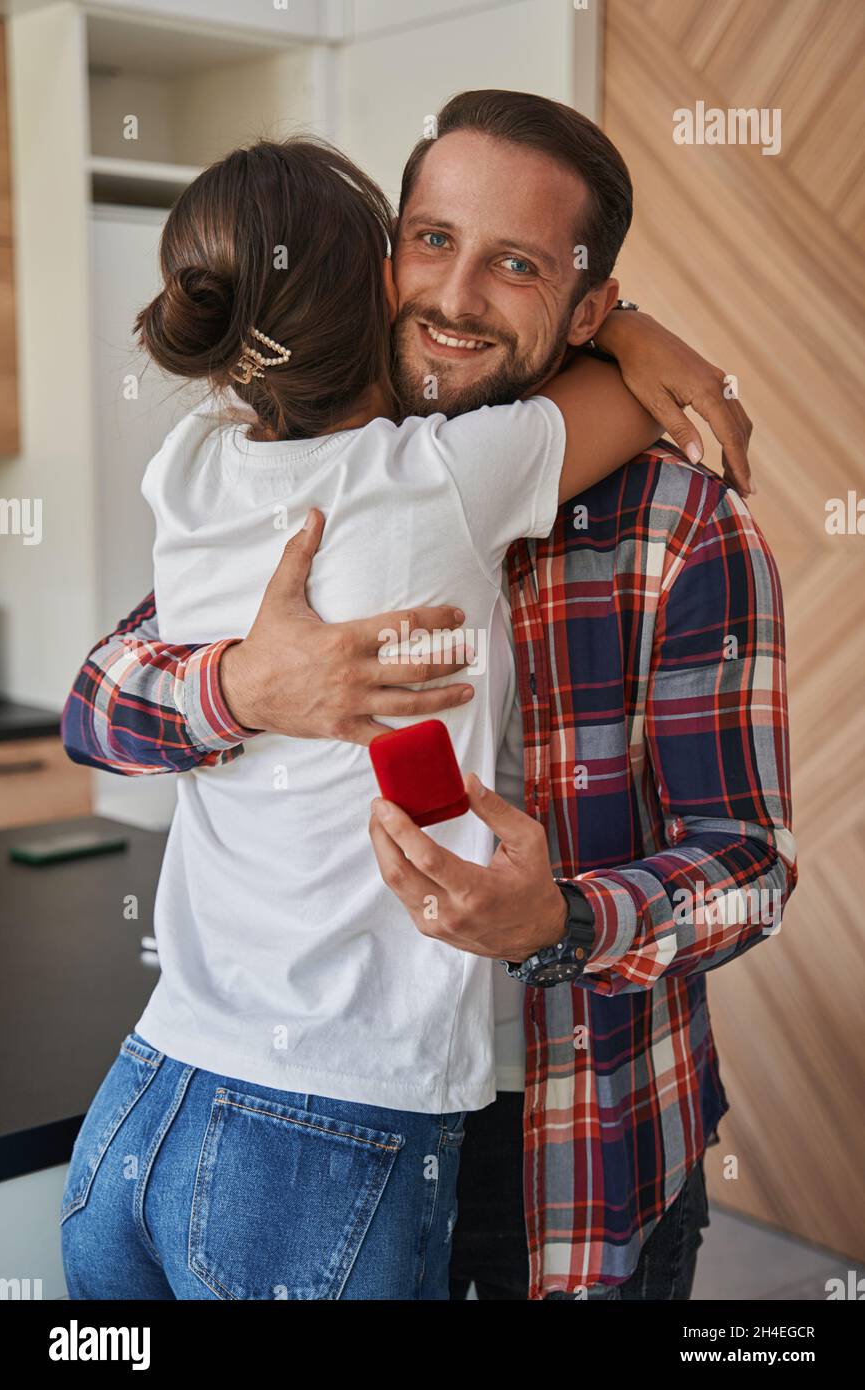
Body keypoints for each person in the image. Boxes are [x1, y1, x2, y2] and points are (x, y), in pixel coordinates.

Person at [60, 92, 789, 1302]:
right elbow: (97, 702)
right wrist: (242, 685)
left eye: (514, 264)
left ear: (587, 303)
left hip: (569, 1154)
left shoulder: (681, 527)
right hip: (323, 1116)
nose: (453, 299)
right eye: (431, 241)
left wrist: (558, 921)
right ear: (377, 255)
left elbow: (749, 866)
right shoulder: (317, 463)